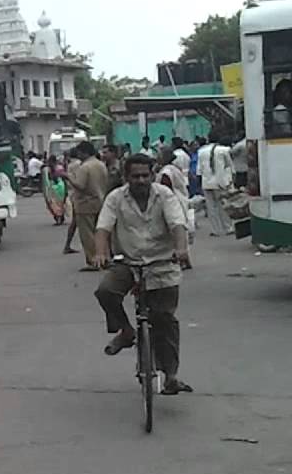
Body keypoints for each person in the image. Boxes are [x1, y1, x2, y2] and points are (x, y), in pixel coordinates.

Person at [93, 154, 193, 395]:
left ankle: (170, 376)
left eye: (145, 175)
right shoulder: (115, 198)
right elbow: (103, 228)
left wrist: (180, 249)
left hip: (162, 263)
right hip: (128, 262)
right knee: (105, 291)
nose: (140, 180)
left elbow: (177, 225)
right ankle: (126, 331)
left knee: (164, 320)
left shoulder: (164, 195)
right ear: (126, 177)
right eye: (135, 176)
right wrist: (100, 253)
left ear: (152, 174)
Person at [67, 141, 109, 270]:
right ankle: (104, 258)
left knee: (88, 235)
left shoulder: (84, 167)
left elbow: (81, 185)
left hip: (85, 204)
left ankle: (93, 260)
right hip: (100, 201)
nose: (77, 154)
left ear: (84, 152)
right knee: (100, 232)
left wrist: (68, 177)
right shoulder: (101, 164)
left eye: (79, 152)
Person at [198, 134, 235, 237]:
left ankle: (216, 230)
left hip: (206, 183)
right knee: (223, 205)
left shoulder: (201, 152)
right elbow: (229, 166)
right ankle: (228, 227)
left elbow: (199, 171)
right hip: (220, 182)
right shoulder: (224, 150)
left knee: (211, 208)